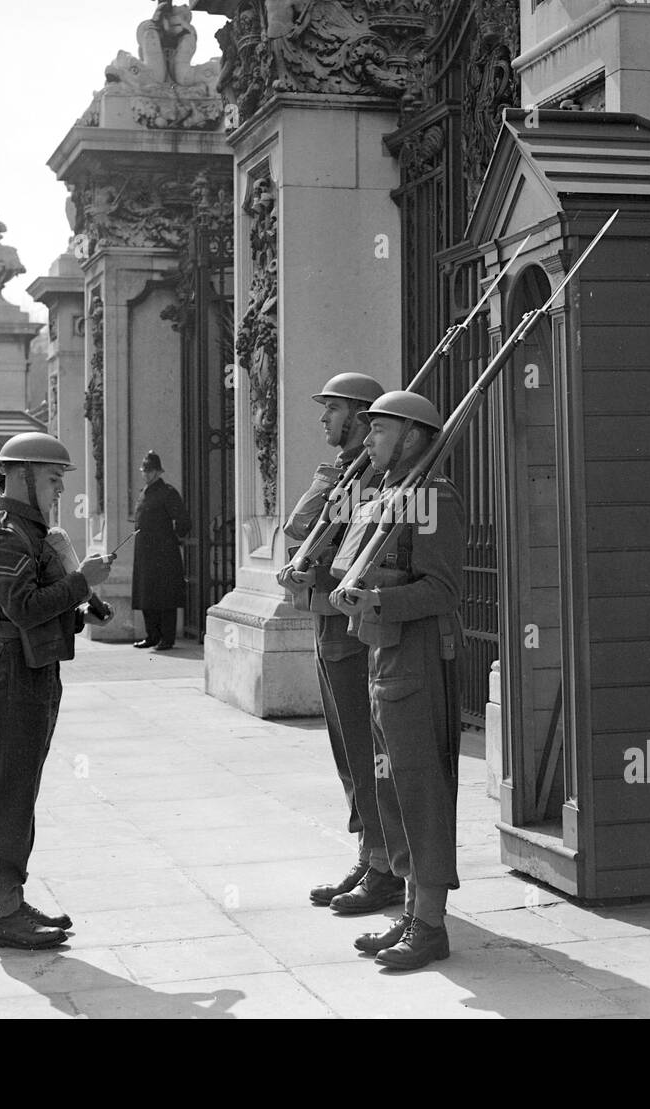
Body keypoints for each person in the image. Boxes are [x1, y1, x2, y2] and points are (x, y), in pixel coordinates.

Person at [330, 391, 465, 970]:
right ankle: (413, 913)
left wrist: (377, 598)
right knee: (392, 789)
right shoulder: (389, 496)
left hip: (418, 660)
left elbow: (443, 590)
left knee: (420, 790)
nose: (368, 441)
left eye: (379, 431)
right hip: (384, 656)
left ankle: (431, 925)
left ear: (412, 435)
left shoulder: (434, 496)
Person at [0, 431, 112, 949]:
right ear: (22, 474)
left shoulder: (33, 532)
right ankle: (1, 913)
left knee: (21, 788)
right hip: (11, 672)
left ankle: (11, 898)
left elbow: (41, 610)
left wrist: (75, 607)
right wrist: (81, 583)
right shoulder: (4, 535)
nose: (58, 490)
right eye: (53, 479)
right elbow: (23, 608)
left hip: (32, 669)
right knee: (6, 793)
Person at [275, 372, 405, 915]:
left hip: (352, 631)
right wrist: (330, 475)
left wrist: (320, 570)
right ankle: (368, 851)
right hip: (327, 625)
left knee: (366, 749)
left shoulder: (377, 478)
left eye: (331, 409)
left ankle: (385, 866)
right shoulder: (342, 474)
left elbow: (369, 549)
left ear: (356, 412)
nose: (324, 419)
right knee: (348, 754)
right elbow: (295, 528)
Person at [130, 451, 191, 651]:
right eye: (144, 470)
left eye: (150, 471)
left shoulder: (168, 492)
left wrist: (175, 538)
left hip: (164, 553)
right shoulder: (143, 492)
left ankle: (167, 638)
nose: (146, 474)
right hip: (144, 554)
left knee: (165, 597)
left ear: (158, 472)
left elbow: (183, 520)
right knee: (147, 595)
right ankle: (152, 635)